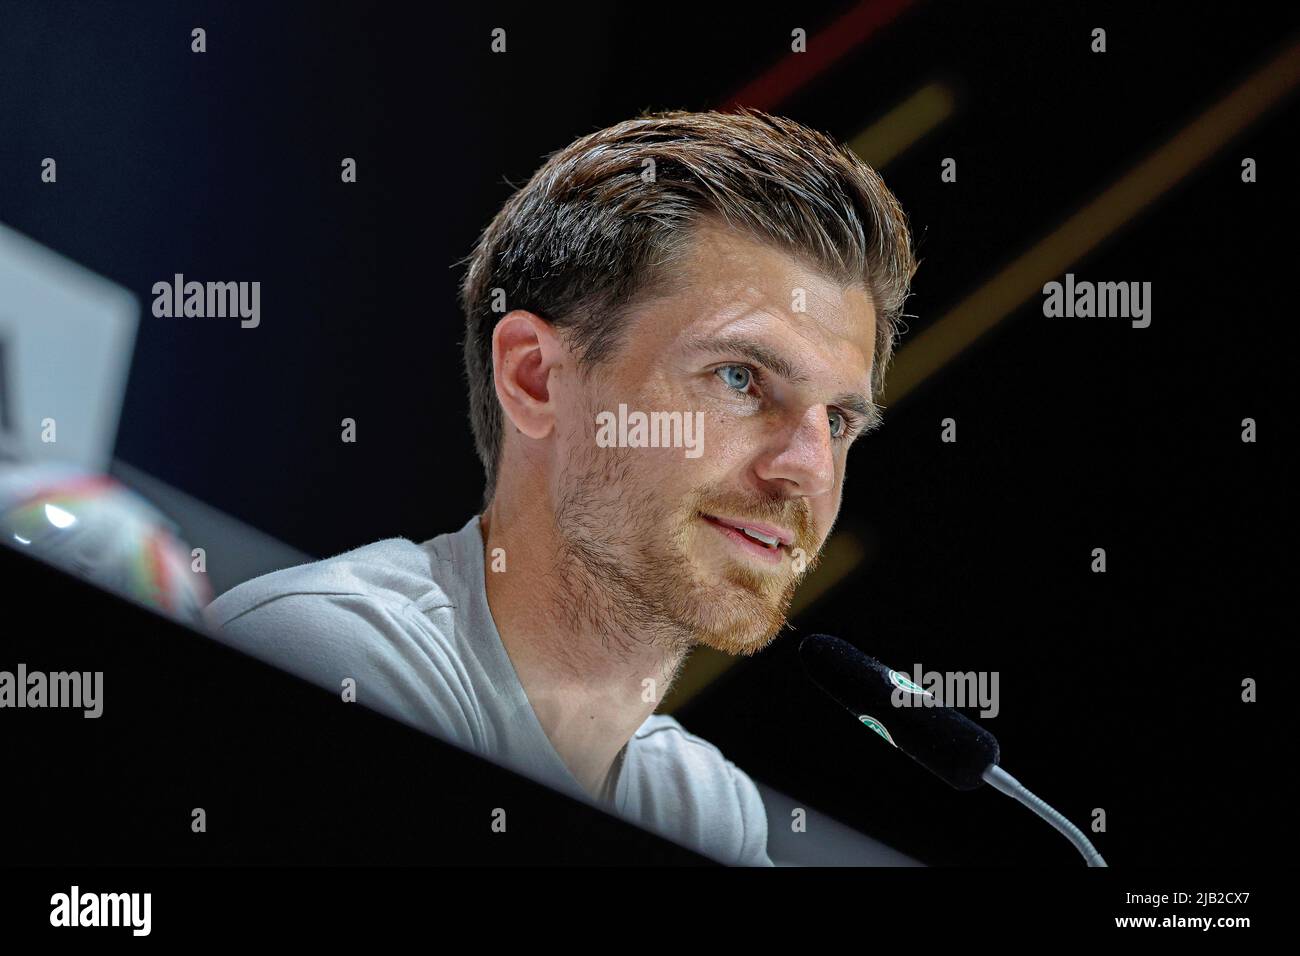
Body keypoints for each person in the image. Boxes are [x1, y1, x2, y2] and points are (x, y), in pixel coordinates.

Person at [205, 108, 917, 866]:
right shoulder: (331, 659)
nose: (807, 467)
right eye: (740, 379)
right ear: (535, 378)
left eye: (839, 420)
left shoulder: (703, 807)